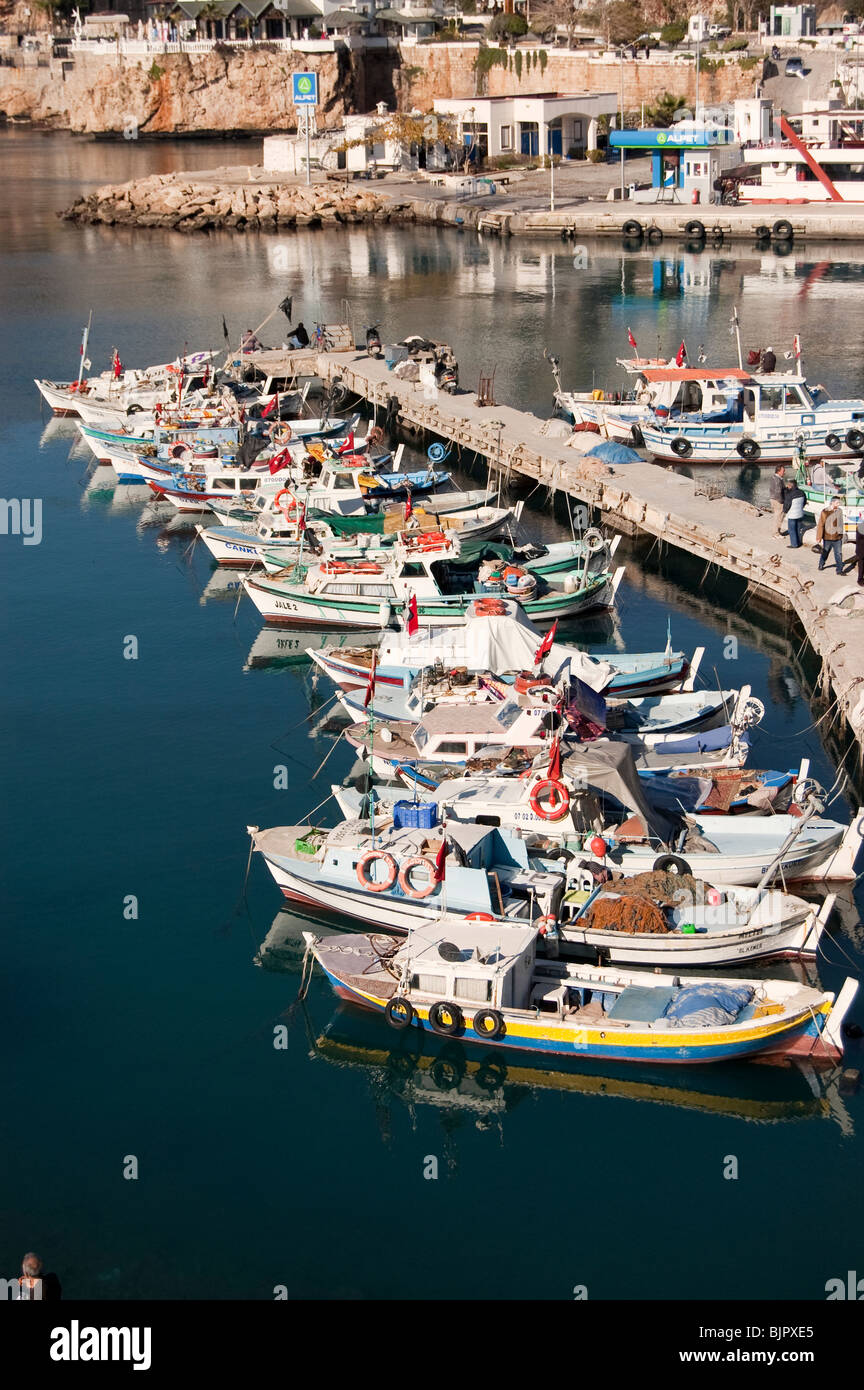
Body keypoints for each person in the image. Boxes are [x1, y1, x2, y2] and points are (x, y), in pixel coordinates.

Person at [816, 493, 845, 575]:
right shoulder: (825, 512)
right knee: (825, 552)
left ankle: (839, 570)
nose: (838, 505)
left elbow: (840, 523)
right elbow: (821, 524)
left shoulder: (839, 511)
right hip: (827, 537)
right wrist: (819, 537)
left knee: (838, 554)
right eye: (837, 503)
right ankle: (821, 564)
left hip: (837, 537)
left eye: (839, 503)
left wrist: (842, 534)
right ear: (832, 503)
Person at [783, 480, 806, 548]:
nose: (787, 486)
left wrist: (785, 511)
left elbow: (787, 504)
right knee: (798, 529)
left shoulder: (790, 494)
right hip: (800, 513)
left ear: (790, 486)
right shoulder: (802, 492)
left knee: (792, 530)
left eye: (788, 485)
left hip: (792, 514)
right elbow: (804, 501)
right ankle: (799, 542)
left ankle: (794, 544)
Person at [769, 463, 787, 535]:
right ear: (778, 471)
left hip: (773, 498)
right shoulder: (778, 480)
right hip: (778, 500)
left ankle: (777, 532)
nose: (784, 472)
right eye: (783, 471)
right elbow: (778, 491)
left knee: (777, 516)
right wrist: (782, 501)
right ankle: (776, 533)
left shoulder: (774, 477)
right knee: (778, 517)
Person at [856, 514, 864, 585]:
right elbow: (861, 539)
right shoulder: (860, 527)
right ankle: (860, 579)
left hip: (861, 550)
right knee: (861, 566)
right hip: (861, 551)